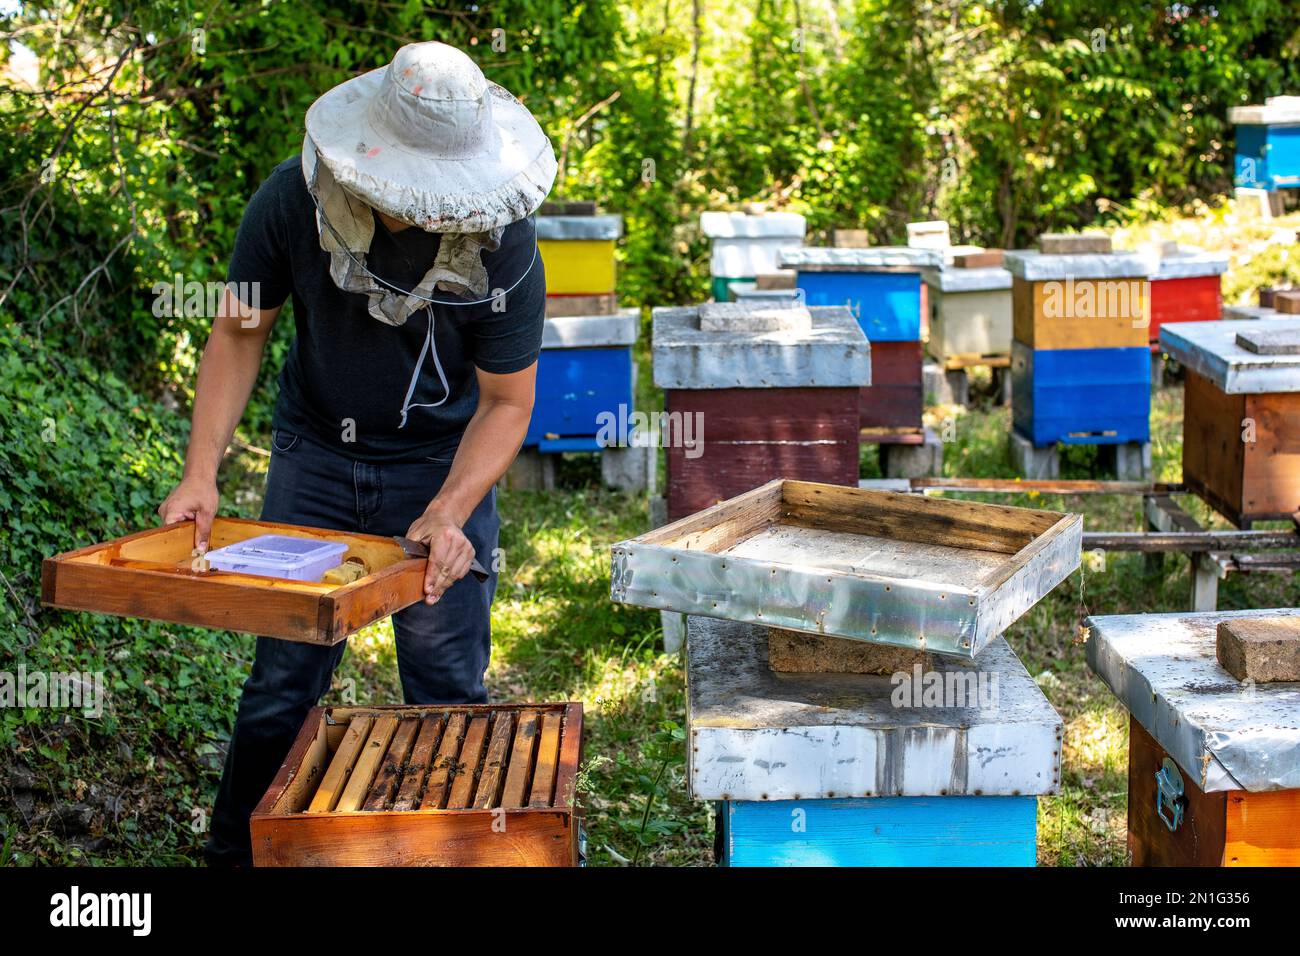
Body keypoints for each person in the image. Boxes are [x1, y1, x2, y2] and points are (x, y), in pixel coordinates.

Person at [156, 41, 555, 866]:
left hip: (442, 465)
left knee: (446, 692)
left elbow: (509, 402)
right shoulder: (289, 200)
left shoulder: (506, 245)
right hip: (314, 454)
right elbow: (239, 333)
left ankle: (454, 853)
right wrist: (200, 475)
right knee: (280, 689)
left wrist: (449, 511)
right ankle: (236, 857)